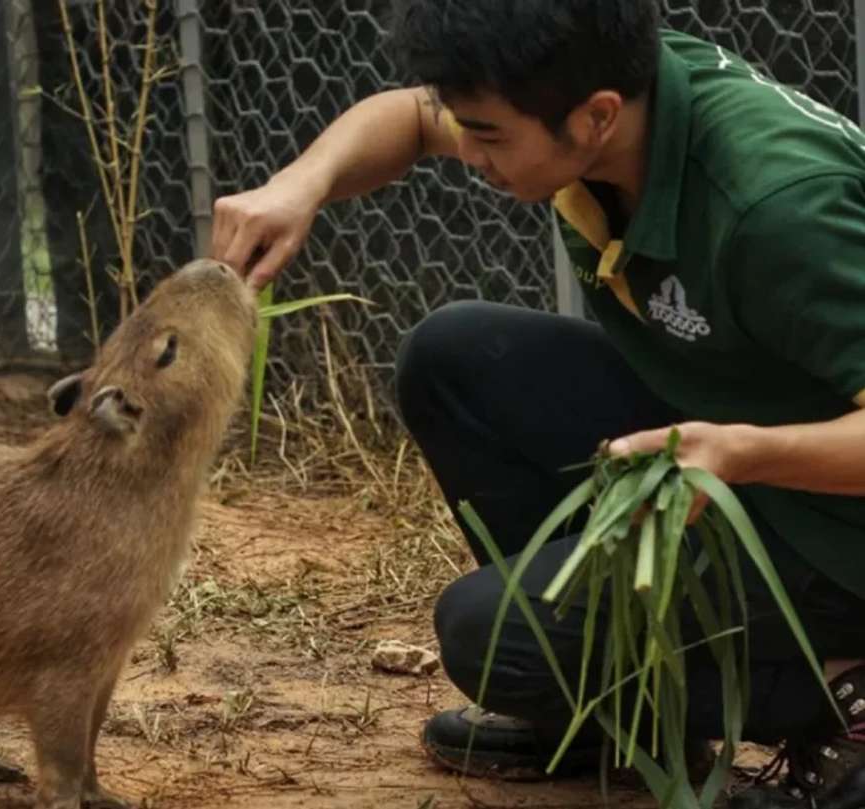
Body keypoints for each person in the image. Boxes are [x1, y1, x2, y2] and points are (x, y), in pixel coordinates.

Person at [210, 2, 865, 806]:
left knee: (490, 637)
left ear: (595, 120)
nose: (469, 152)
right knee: (454, 357)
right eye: (468, 129)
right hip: (734, 428)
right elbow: (414, 119)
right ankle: (601, 717)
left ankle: (837, 692)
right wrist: (298, 185)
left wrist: (738, 453)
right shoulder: (597, 91)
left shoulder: (776, 206)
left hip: (835, 526)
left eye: (487, 136)